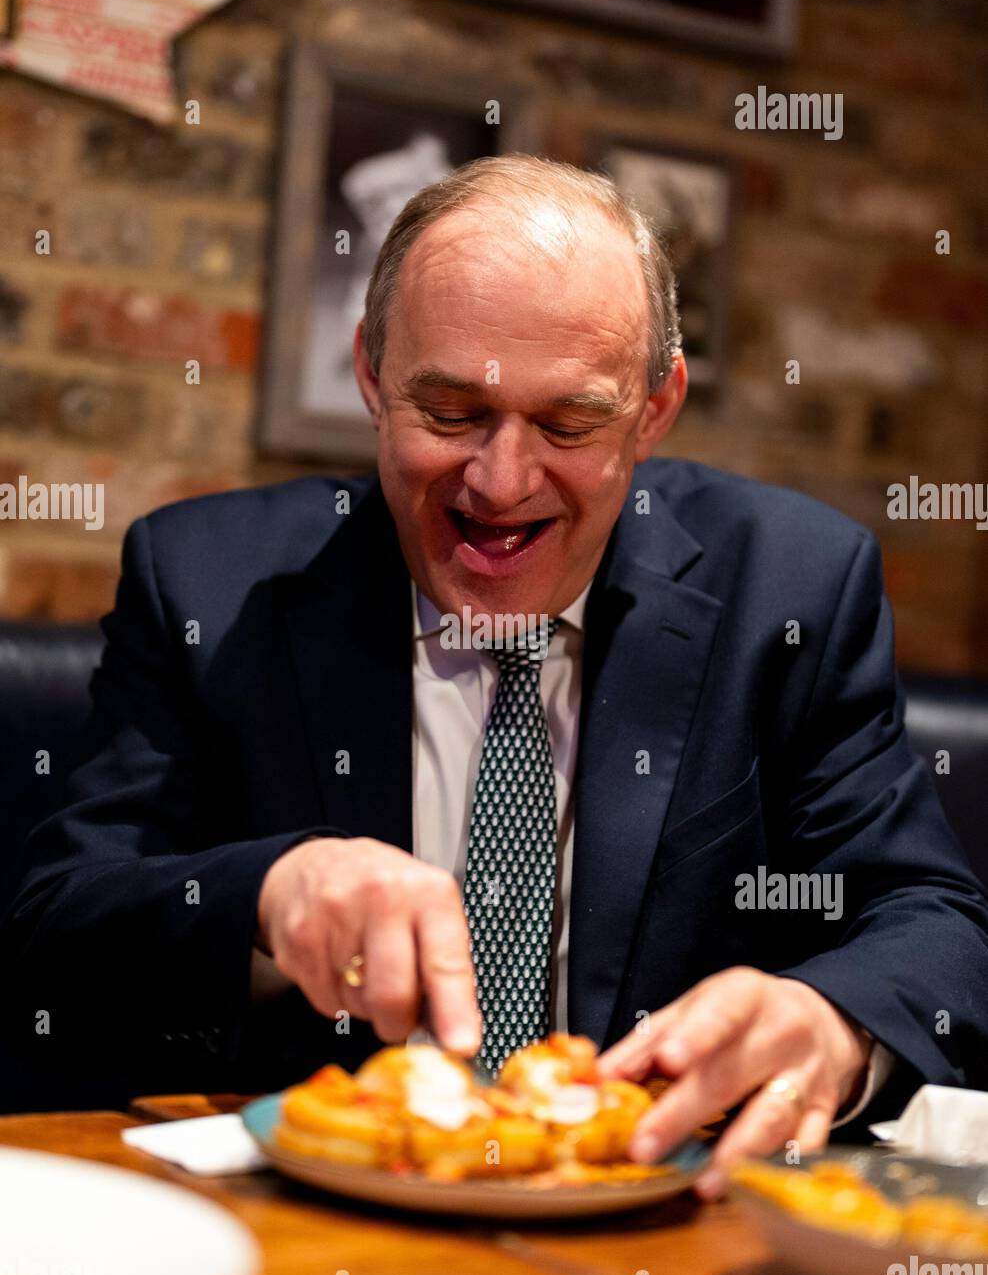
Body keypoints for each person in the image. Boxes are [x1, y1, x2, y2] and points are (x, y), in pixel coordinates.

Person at [3, 156, 986, 1201]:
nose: (500, 483)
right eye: (450, 412)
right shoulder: (207, 580)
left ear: (655, 410)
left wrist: (830, 1025)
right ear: (371, 378)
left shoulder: (790, 588)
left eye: (568, 424)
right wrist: (267, 895)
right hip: (321, 1226)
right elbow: (58, 925)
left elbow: (932, 922)